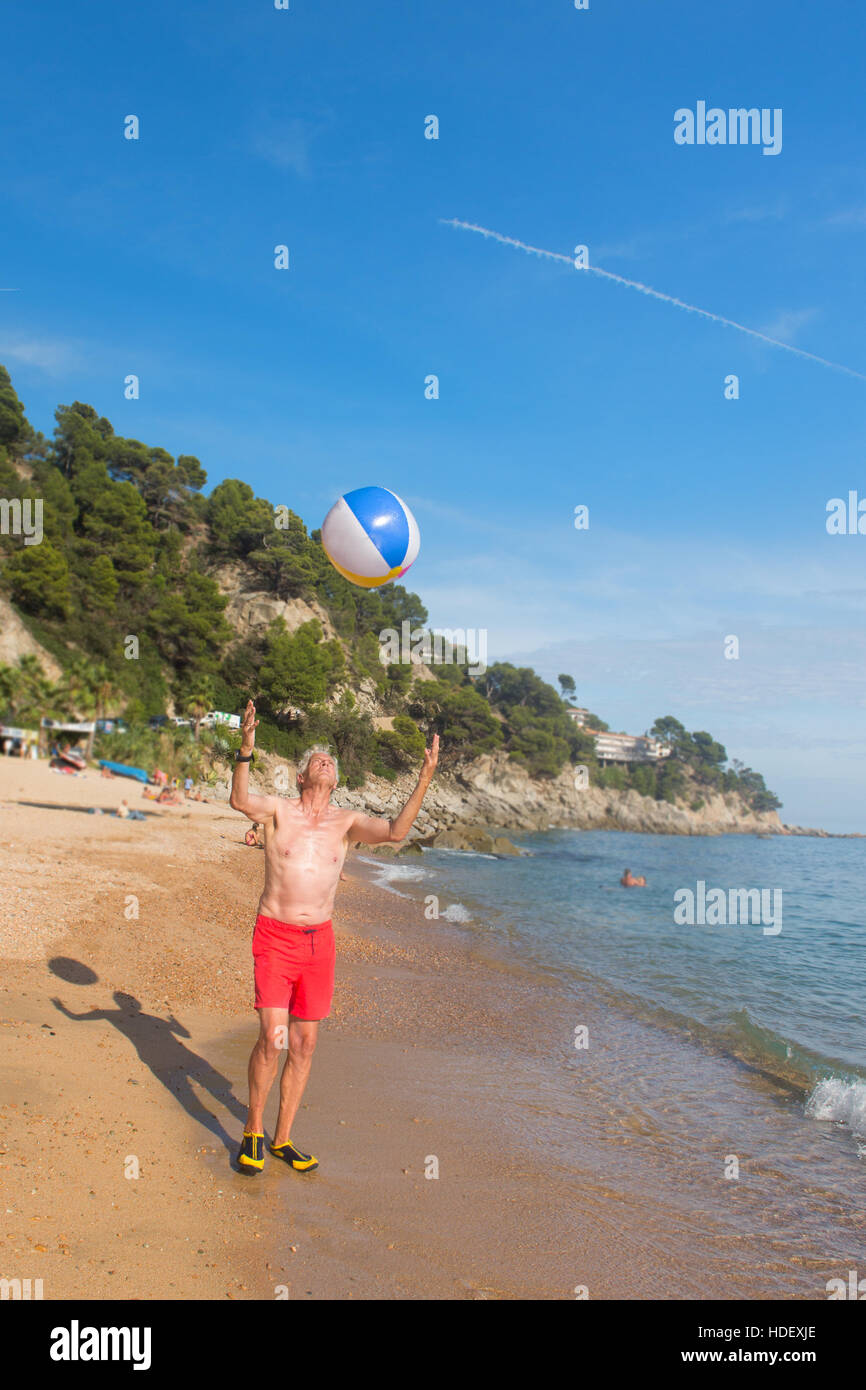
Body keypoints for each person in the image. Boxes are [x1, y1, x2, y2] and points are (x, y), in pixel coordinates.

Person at [230, 698, 438, 1175]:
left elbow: (395, 832)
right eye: (315, 760)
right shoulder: (279, 811)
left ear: (335, 780)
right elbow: (241, 801)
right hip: (275, 936)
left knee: (304, 1045)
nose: (325, 761)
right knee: (274, 1039)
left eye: (331, 761)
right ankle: (253, 1129)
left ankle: (283, 1139)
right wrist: (246, 748)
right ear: (302, 777)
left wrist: (424, 777)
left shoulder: (346, 823)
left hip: (318, 944)